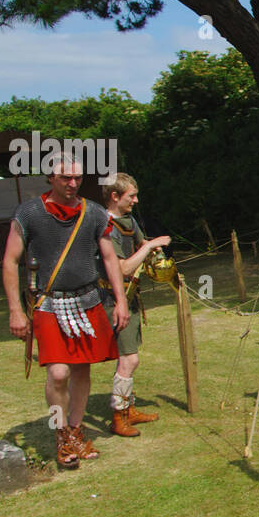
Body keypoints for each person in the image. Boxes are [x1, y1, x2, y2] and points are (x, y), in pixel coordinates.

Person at [4, 156, 129, 469]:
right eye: (65, 178)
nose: (72, 184)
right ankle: (61, 434)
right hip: (48, 303)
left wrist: (121, 300)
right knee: (58, 373)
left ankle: (75, 431)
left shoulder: (94, 212)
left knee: (82, 370)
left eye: (77, 178)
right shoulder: (29, 213)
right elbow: (10, 260)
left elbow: (110, 258)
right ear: (50, 177)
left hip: (87, 301)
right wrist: (15, 311)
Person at [98, 172, 171, 437]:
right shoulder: (106, 226)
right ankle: (119, 416)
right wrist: (150, 245)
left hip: (130, 296)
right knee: (129, 359)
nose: (136, 201)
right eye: (131, 196)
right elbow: (124, 267)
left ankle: (128, 408)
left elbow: (140, 246)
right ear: (115, 197)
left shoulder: (127, 221)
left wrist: (155, 255)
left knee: (130, 357)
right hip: (111, 300)